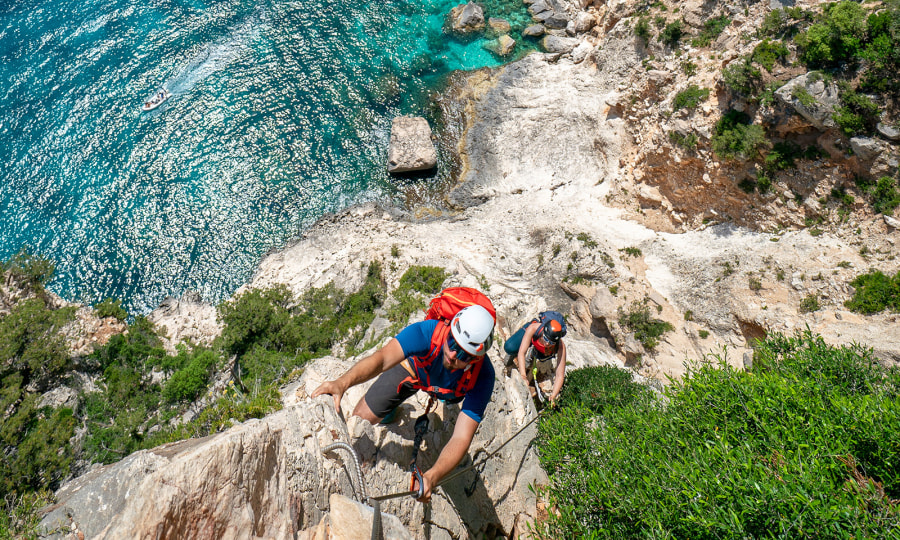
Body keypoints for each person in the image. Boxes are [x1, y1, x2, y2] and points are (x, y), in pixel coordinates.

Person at [306, 304, 496, 503]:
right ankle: (391, 410)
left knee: (450, 396)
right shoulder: (427, 333)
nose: (453, 354)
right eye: (452, 342)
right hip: (414, 370)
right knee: (361, 418)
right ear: (449, 330)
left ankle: (425, 398)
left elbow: (461, 437)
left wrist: (432, 476)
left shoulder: (483, 377)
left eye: (463, 354)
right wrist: (342, 383)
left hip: (450, 391)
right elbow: (381, 359)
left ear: (476, 359)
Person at [503, 312, 567, 406]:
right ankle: (514, 353)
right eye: (546, 338)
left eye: (551, 342)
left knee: (545, 352)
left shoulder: (560, 347)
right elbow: (522, 352)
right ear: (543, 332)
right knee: (509, 347)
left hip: (543, 350)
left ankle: (533, 354)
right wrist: (523, 375)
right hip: (533, 337)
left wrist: (553, 395)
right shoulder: (534, 328)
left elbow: (560, 375)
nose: (547, 343)